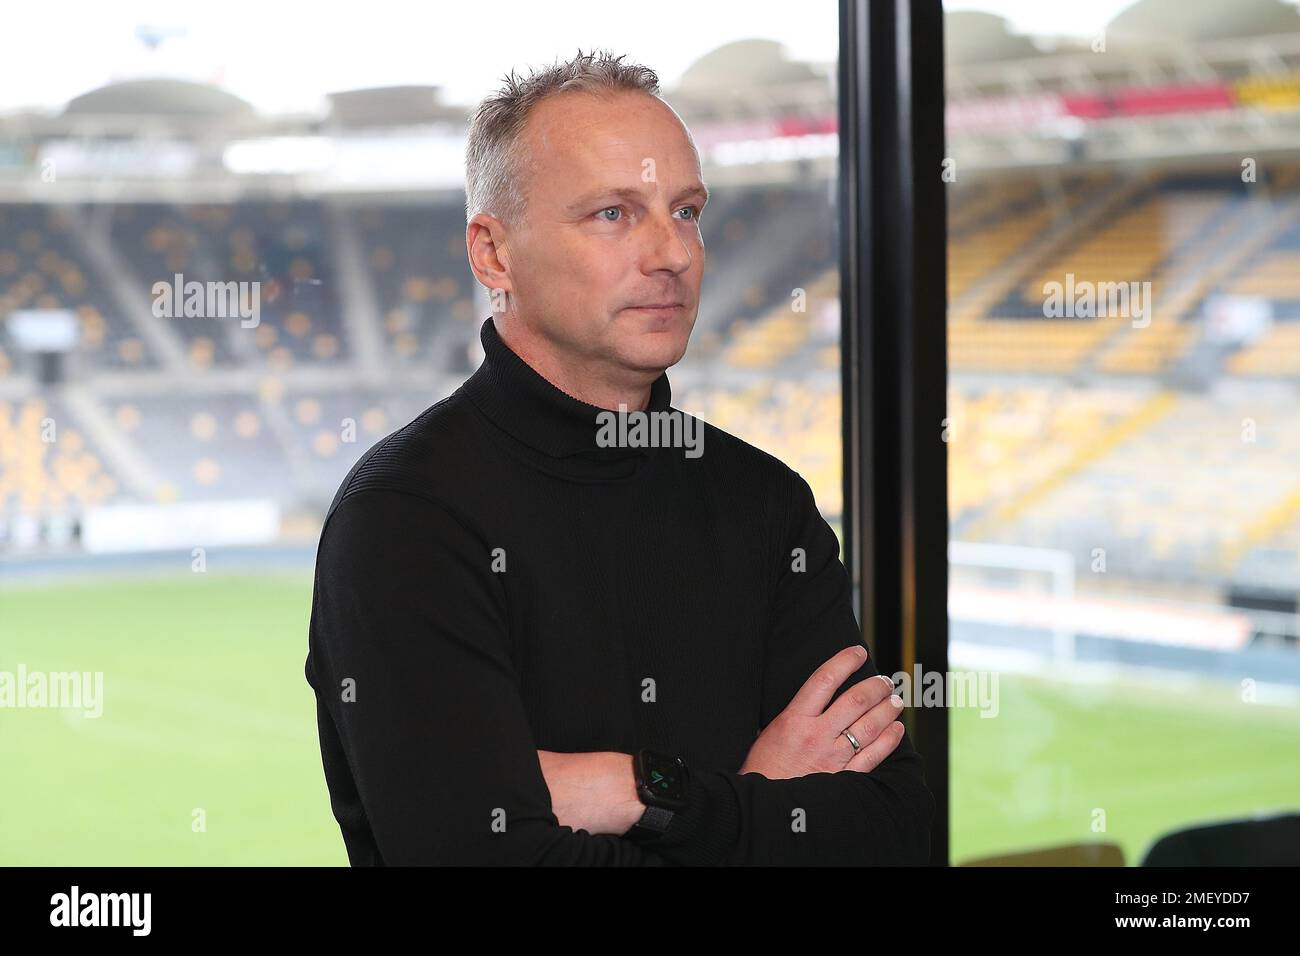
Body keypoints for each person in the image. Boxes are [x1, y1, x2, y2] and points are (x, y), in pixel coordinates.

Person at [304, 49, 935, 865]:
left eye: (686, 211)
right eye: (613, 213)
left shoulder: (765, 501)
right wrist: (758, 796)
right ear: (494, 254)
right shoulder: (406, 518)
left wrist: (635, 791)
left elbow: (893, 832)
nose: (670, 252)